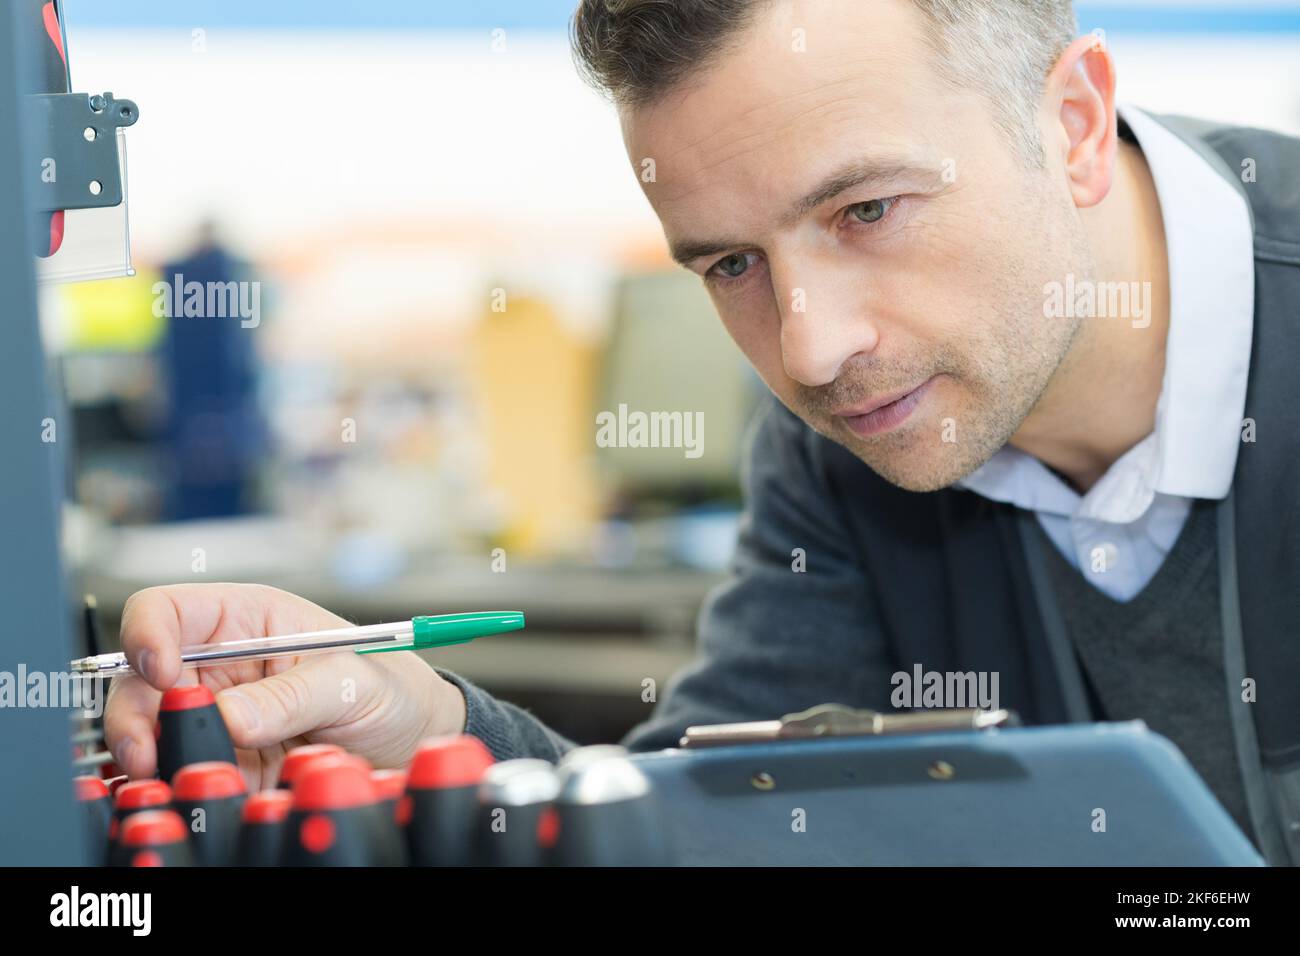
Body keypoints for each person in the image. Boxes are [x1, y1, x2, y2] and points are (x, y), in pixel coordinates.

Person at [104, 0, 1300, 864]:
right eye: (731, 262)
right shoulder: (848, 434)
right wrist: (429, 731)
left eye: (866, 208)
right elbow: (717, 816)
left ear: (1075, 123)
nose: (808, 348)